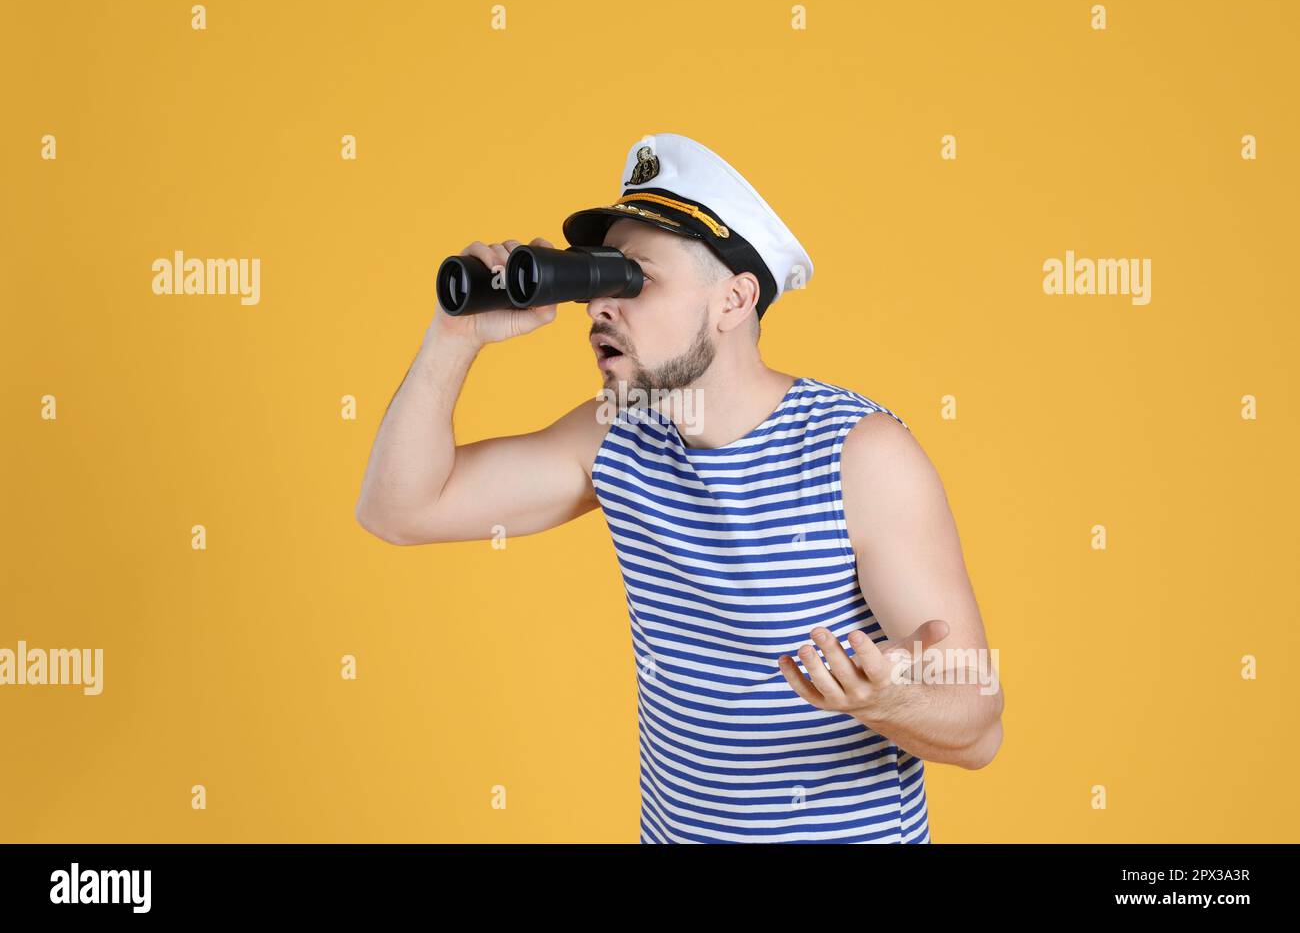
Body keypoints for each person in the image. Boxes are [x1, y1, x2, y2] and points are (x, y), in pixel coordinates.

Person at [356, 133, 1004, 843]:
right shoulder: (620, 437)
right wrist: (456, 335)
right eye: (599, 281)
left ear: (733, 300)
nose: (600, 306)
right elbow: (400, 509)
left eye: (634, 279)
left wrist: (889, 700)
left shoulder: (859, 455)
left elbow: (978, 727)